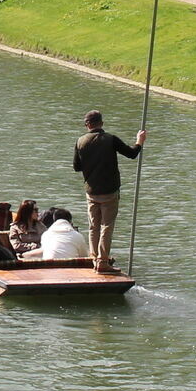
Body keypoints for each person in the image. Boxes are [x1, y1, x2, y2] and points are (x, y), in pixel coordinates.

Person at [72, 110, 145, 271]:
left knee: (93, 226)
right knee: (107, 226)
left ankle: (93, 258)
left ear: (87, 125)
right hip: (110, 192)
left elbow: (77, 167)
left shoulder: (80, 141)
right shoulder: (110, 139)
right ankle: (103, 262)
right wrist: (140, 141)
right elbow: (132, 154)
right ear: (101, 123)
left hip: (91, 191)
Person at [22, 208, 91, 262]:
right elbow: (84, 256)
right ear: (70, 222)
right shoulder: (77, 236)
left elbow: (44, 251)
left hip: (49, 268)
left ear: (54, 220)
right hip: (70, 270)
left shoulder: (46, 235)